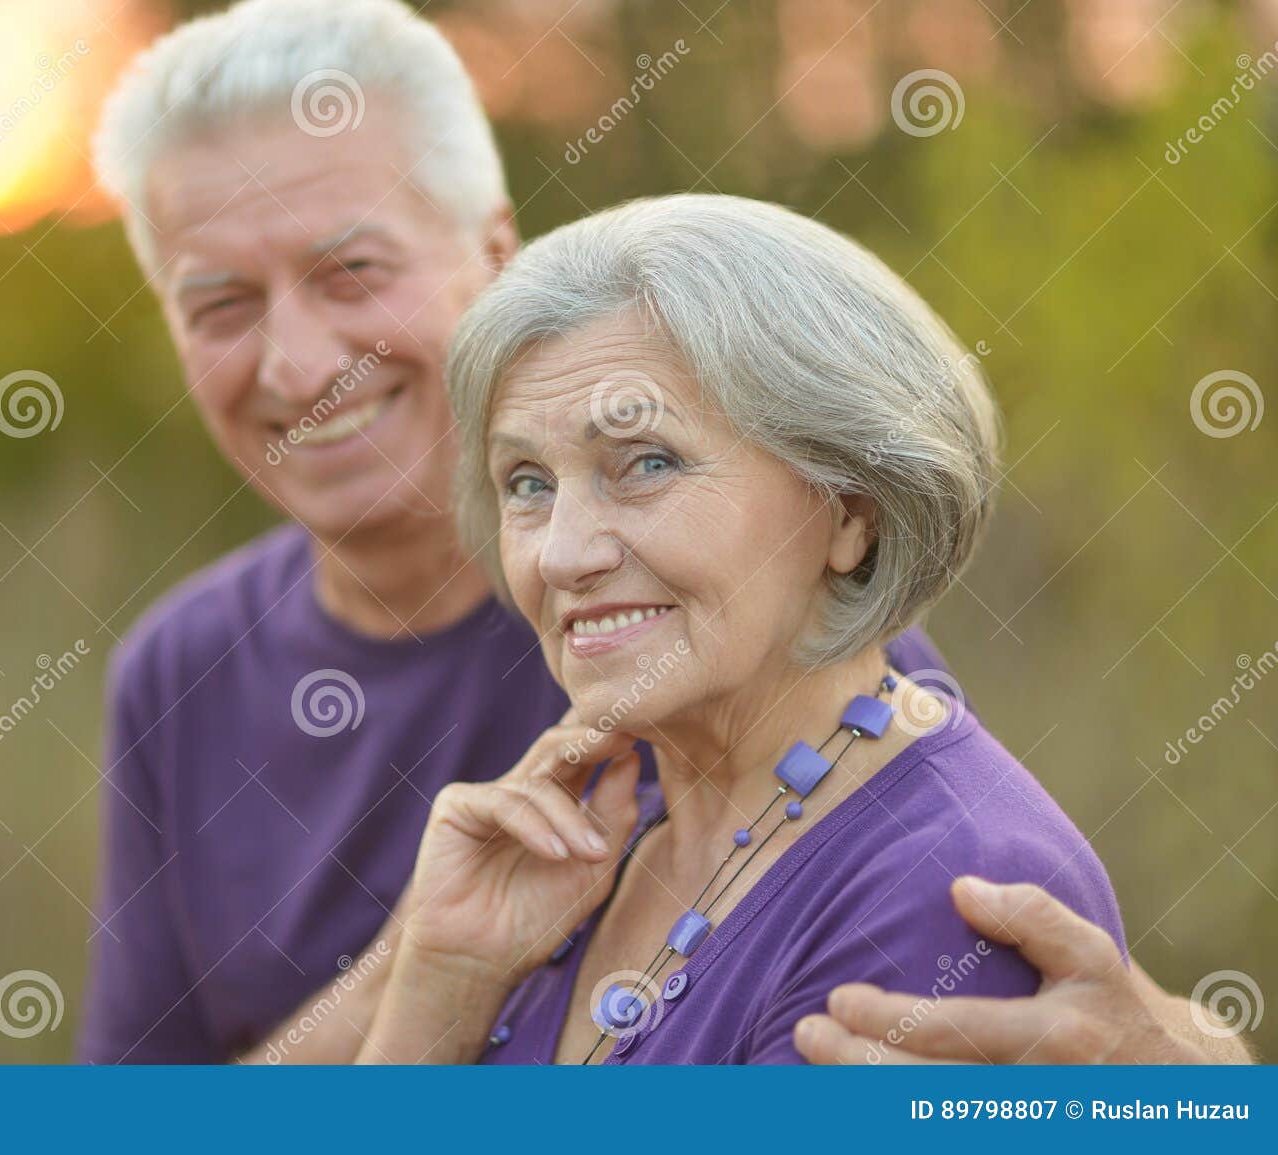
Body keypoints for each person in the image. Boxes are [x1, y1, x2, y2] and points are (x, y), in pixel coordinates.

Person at [80, 0, 1249, 1065]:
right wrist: (427, 970)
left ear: (493, 253)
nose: (294, 363)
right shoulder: (182, 667)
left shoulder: (731, 640)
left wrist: (1197, 1094)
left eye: (351, 272)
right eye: (221, 304)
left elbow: (944, 862)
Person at [357, 193, 1126, 1064]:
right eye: (527, 482)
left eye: (647, 463)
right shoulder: (585, 840)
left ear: (851, 515)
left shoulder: (943, 893)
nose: (561, 554)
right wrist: (443, 978)